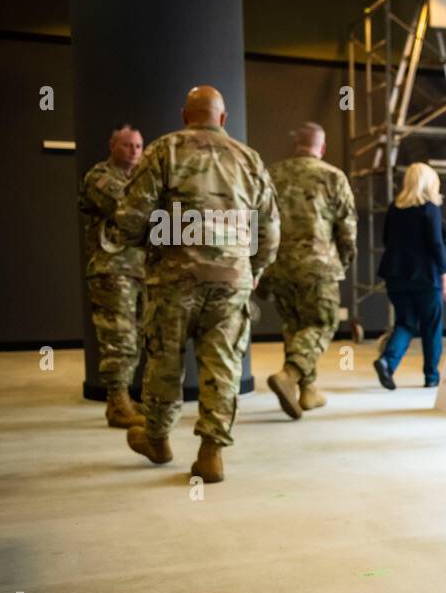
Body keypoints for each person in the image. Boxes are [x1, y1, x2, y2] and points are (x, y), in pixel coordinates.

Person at [111, 85, 280, 483]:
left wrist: (149, 245)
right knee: (222, 363)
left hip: (174, 278)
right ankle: (211, 452)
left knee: (164, 359)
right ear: (223, 118)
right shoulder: (249, 159)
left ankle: (157, 438)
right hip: (231, 281)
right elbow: (270, 229)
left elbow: (131, 217)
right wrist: (254, 267)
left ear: (185, 115)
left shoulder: (163, 150)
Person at [261, 122, 357, 419]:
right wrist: (344, 260)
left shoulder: (271, 175)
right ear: (322, 147)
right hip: (318, 266)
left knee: (294, 326)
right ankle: (290, 375)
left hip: (279, 266)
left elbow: (258, 223)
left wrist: (262, 265)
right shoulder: (332, 176)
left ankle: (308, 390)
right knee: (322, 323)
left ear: (296, 145)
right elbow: (347, 228)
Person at [79, 123, 145, 428]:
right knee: (119, 337)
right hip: (112, 270)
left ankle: (125, 401)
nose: (133, 151)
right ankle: (117, 402)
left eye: (138, 146)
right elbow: (130, 212)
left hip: (140, 271)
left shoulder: (142, 181)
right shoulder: (99, 177)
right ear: (112, 146)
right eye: (127, 145)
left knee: (140, 337)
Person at [372, 163, 446, 389]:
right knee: (431, 327)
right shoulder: (430, 209)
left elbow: (386, 240)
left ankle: (387, 361)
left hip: (396, 275)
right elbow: (436, 244)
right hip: (426, 277)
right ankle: (431, 377)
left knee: (405, 323)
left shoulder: (394, 208)